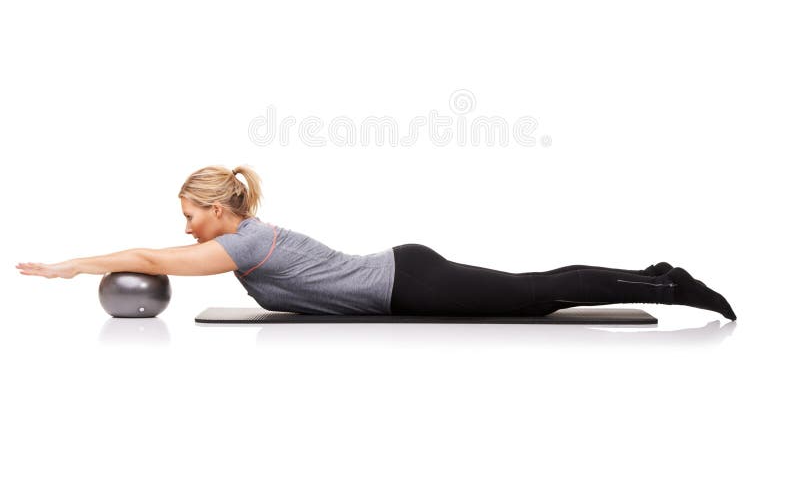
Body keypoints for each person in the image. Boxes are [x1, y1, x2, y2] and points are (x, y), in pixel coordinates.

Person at [16, 164, 737, 321]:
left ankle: (663, 281)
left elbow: (146, 261)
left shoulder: (246, 241)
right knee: (532, 293)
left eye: (188, 216)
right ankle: (658, 279)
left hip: (406, 283)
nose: (184, 230)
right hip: (401, 275)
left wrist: (72, 266)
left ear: (215, 210)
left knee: (534, 294)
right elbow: (154, 255)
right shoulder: (244, 240)